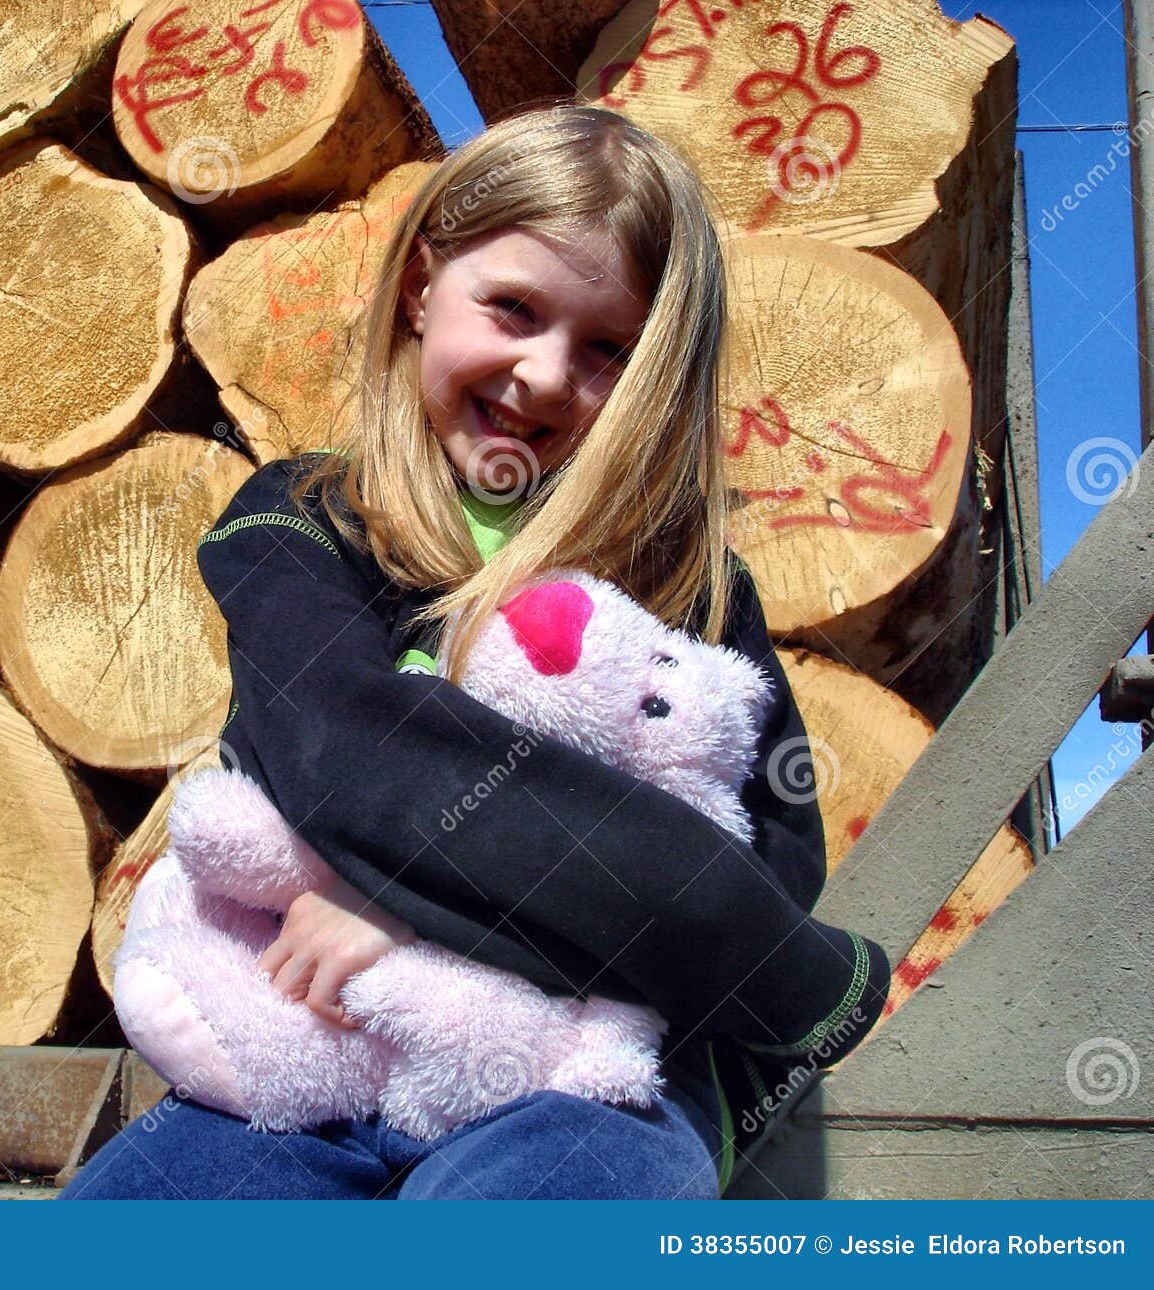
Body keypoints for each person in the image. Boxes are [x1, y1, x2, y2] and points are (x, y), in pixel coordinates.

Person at [58, 104, 889, 1201]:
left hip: (592, 1079)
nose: (544, 374)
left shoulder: (689, 583)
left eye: (607, 350)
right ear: (419, 287)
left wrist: (417, 908)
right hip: (311, 1056)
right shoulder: (305, 524)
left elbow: (759, 863)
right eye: (512, 309)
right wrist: (611, 876)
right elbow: (343, 754)